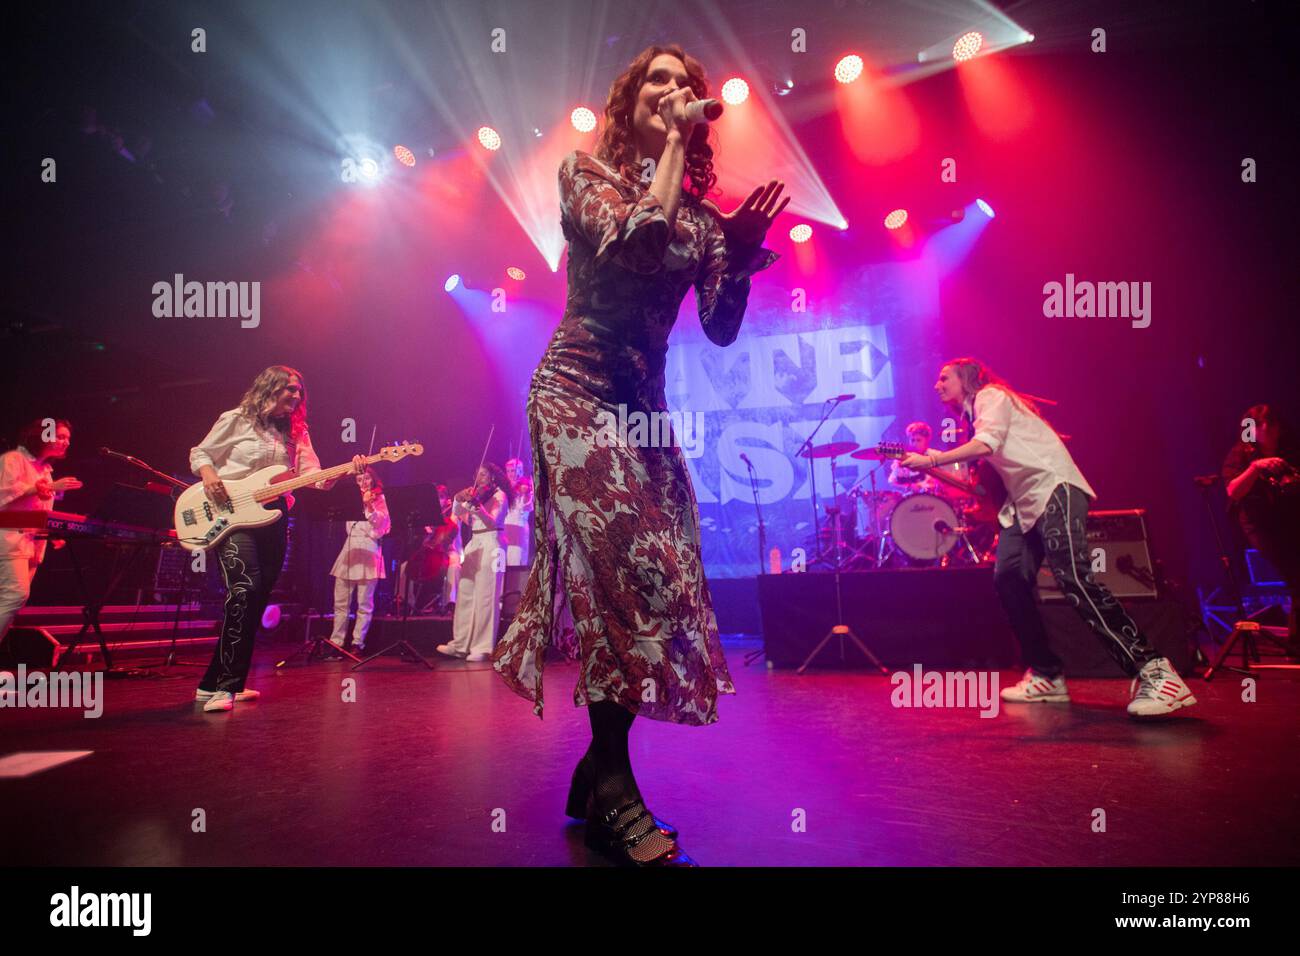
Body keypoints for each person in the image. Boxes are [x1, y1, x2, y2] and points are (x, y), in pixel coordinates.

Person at [490, 44, 786, 865]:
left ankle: (593, 773)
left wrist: (746, 253)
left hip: (643, 412)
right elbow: (636, 244)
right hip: (574, 395)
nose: (677, 91)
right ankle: (616, 790)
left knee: (658, 573)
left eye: (687, 84)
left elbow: (721, 329)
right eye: (659, 81)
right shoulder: (586, 174)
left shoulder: (703, 220)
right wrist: (669, 157)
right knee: (615, 573)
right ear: (631, 104)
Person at [900, 357, 1197, 718]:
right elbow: (979, 488)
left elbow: (988, 444)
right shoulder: (973, 419)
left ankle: (1156, 672)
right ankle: (1046, 674)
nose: (937, 384)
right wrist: (927, 462)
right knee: (1009, 577)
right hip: (1022, 508)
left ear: (968, 378)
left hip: (1053, 490)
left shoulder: (991, 396)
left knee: (1074, 580)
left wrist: (933, 461)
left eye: (944, 377)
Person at [190, 366, 364, 712]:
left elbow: (312, 476)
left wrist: (340, 473)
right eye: (290, 389)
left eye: (300, 391)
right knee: (245, 589)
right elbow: (201, 453)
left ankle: (218, 683)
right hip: (231, 515)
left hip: (274, 517)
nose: (297, 397)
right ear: (269, 388)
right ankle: (224, 687)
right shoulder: (237, 419)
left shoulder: (296, 432)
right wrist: (209, 475)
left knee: (255, 600)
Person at [1222, 403, 1300, 650]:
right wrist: (1256, 468)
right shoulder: (1241, 454)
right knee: (1295, 574)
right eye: (1260, 424)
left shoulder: (1291, 449)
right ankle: (1296, 643)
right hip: (1260, 524)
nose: (1268, 428)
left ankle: (1295, 641)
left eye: (1271, 423)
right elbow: (1233, 490)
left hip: (1289, 519)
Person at [0, 419, 82, 642]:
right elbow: (3, 495)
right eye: (61, 436)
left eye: (68, 438)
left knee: (12, 600)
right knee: (15, 595)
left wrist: (52, 533)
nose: (66, 442)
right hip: (8, 540)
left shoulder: (46, 470)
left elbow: (39, 510)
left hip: (30, 543)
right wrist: (43, 488)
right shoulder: (13, 460)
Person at [437, 463, 511, 662]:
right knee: (466, 593)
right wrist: (457, 500)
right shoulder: (477, 495)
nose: (480, 478)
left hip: (493, 543)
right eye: (477, 474)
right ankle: (460, 644)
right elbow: (463, 518)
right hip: (475, 542)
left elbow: (493, 522)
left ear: (493, 477)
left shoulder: (499, 495)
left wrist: (477, 505)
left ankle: (483, 646)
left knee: (487, 596)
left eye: (484, 474)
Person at [328, 466, 391, 654]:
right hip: (349, 548)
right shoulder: (351, 500)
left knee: (364, 603)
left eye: (366, 479)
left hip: (369, 549)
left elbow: (381, 526)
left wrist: (370, 505)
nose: (363, 483)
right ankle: (336, 642)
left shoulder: (380, 499)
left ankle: (358, 643)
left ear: (372, 479)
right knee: (340, 602)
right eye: (359, 480)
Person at [502, 457, 534, 567]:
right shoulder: (504, 489)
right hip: (504, 528)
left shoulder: (525, 487)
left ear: (520, 471)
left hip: (518, 528)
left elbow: (527, 508)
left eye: (514, 470)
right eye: (508, 471)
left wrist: (525, 493)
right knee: (502, 563)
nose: (511, 474)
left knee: (515, 561)